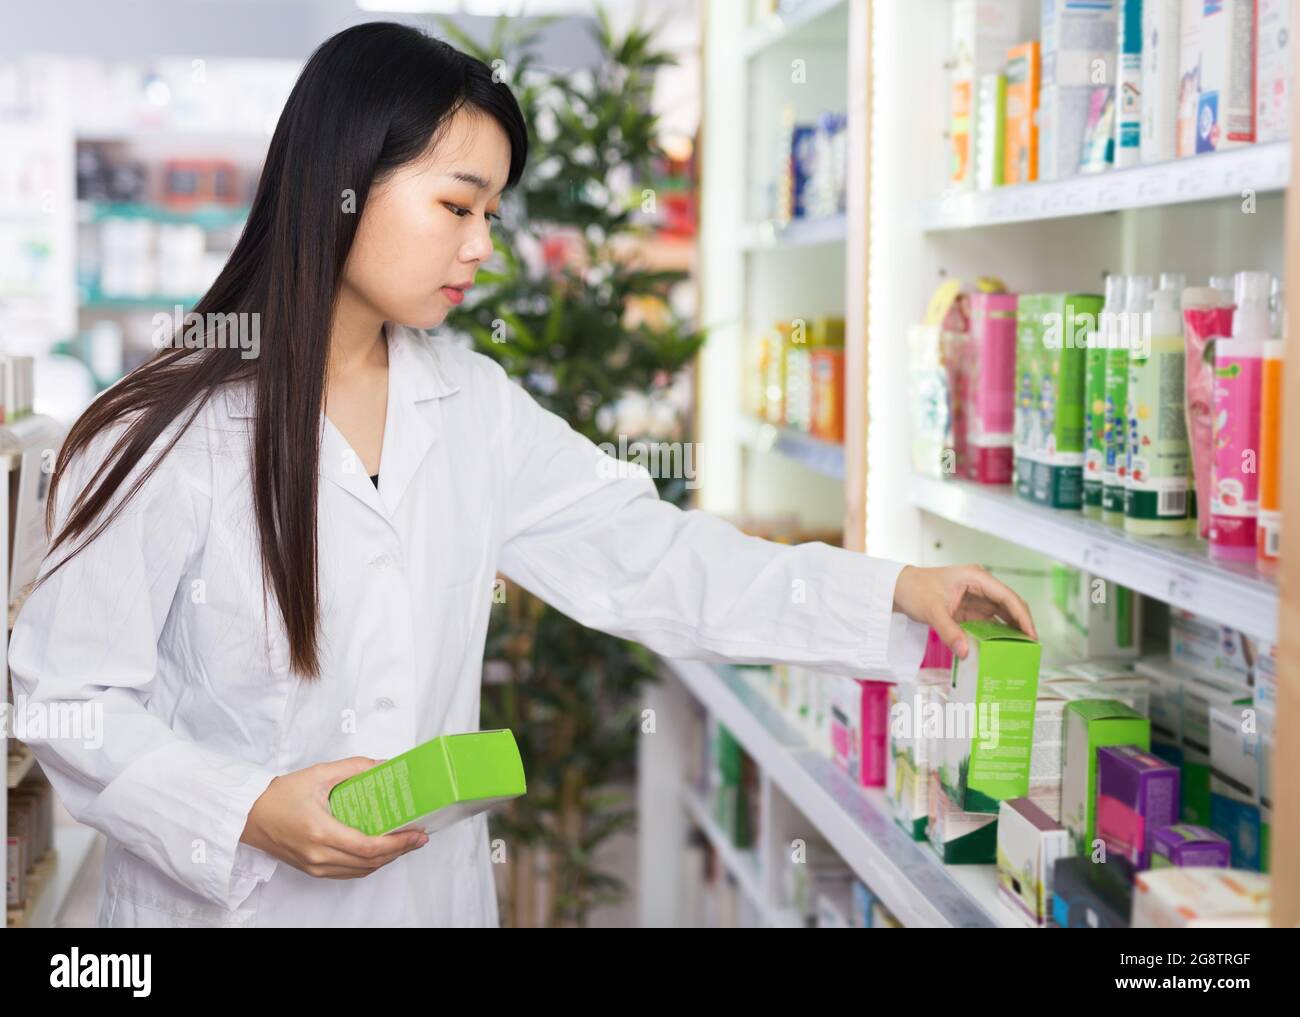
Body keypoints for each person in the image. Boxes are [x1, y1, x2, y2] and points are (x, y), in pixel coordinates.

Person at [8, 22, 1035, 928]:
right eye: (459, 206)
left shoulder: (472, 405)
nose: (481, 246)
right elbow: (68, 699)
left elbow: (653, 557)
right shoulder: (163, 428)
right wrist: (246, 812)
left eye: (492, 214)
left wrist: (892, 591)